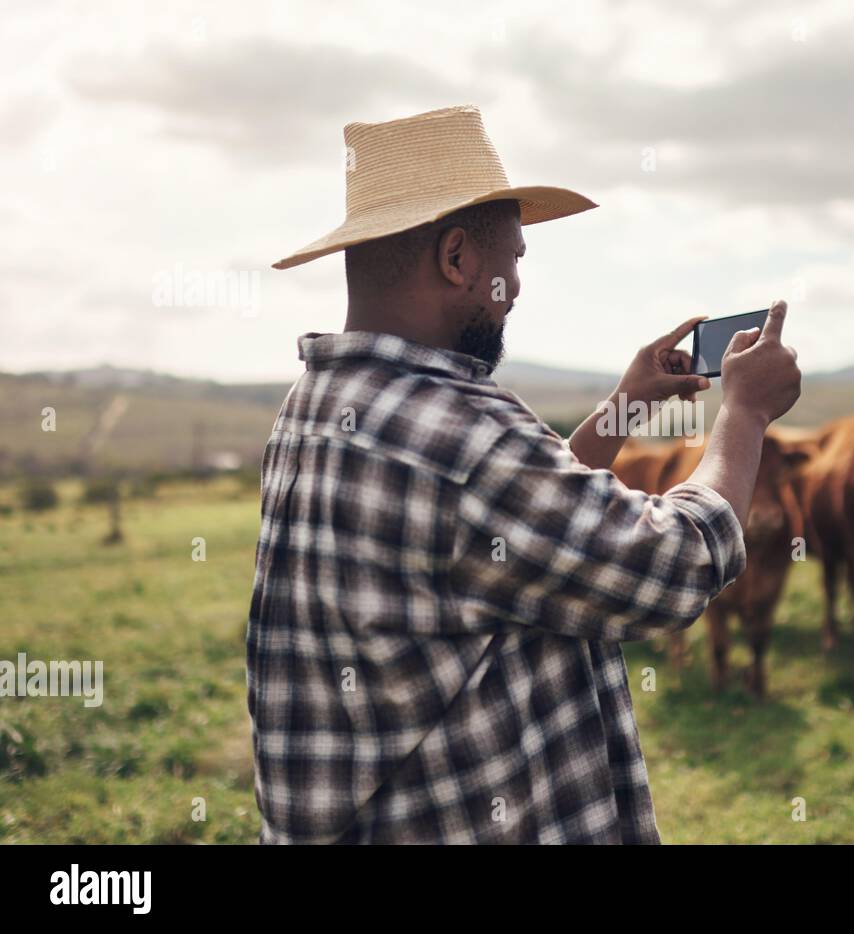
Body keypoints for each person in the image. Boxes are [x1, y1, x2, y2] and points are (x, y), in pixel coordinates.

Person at [249, 104, 800, 843]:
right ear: (456, 259)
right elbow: (674, 566)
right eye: (511, 258)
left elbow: (508, 532)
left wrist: (621, 410)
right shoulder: (459, 431)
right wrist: (745, 414)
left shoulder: (315, 404)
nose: (517, 280)